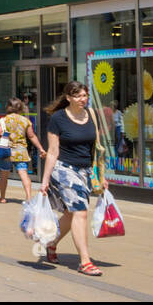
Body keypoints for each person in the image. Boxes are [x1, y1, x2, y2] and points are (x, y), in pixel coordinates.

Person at [39, 81, 103, 276]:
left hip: (85, 171)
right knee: (81, 212)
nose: (82, 99)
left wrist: (101, 175)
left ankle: (50, 243)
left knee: (70, 214)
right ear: (68, 97)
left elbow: (97, 148)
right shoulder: (58, 119)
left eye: (85, 95)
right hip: (64, 170)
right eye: (78, 96)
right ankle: (85, 261)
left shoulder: (92, 115)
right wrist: (45, 180)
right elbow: (52, 151)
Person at [0, 97, 45, 203]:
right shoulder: (25, 120)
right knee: (23, 174)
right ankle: (29, 197)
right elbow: (31, 136)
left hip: (6, 151)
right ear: (21, 108)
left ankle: (2, 197)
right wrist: (40, 148)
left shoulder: (4, 120)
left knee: (4, 175)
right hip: (21, 152)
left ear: (8, 107)